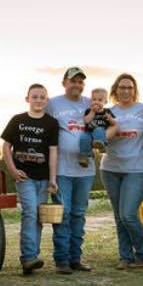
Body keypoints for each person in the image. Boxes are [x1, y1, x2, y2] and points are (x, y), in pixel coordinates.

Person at [1, 83, 59, 275]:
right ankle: (27, 258)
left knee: (38, 216)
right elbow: (6, 147)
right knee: (30, 213)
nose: (38, 100)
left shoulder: (51, 123)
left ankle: (32, 256)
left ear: (47, 100)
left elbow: (53, 152)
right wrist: (12, 170)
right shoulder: (18, 120)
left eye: (42, 97)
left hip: (43, 178)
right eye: (35, 97)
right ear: (27, 99)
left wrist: (52, 179)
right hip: (24, 177)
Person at [45, 67, 96, 274]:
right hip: (62, 169)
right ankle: (62, 260)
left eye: (80, 82)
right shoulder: (52, 104)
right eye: (73, 81)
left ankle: (76, 258)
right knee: (63, 213)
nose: (77, 85)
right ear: (64, 83)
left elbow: (102, 125)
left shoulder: (90, 103)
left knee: (79, 214)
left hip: (85, 169)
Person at [100, 73, 143, 269]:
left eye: (130, 87)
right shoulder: (108, 112)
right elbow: (98, 137)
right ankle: (125, 257)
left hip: (138, 169)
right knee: (119, 216)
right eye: (122, 87)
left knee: (128, 214)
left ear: (134, 90)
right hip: (110, 169)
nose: (126, 91)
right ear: (115, 90)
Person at [79, 87, 118, 168]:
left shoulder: (107, 111)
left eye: (100, 100)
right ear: (91, 101)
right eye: (94, 99)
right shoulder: (88, 111)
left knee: (99, 129)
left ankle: (101, 144)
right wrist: (93, 111)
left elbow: (114, 123)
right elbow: (86, 121)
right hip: (88, 132)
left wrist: (110, 119)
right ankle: (85, 157)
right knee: (83, 138)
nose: (96, 102)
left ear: (105, 102)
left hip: (100, 133)